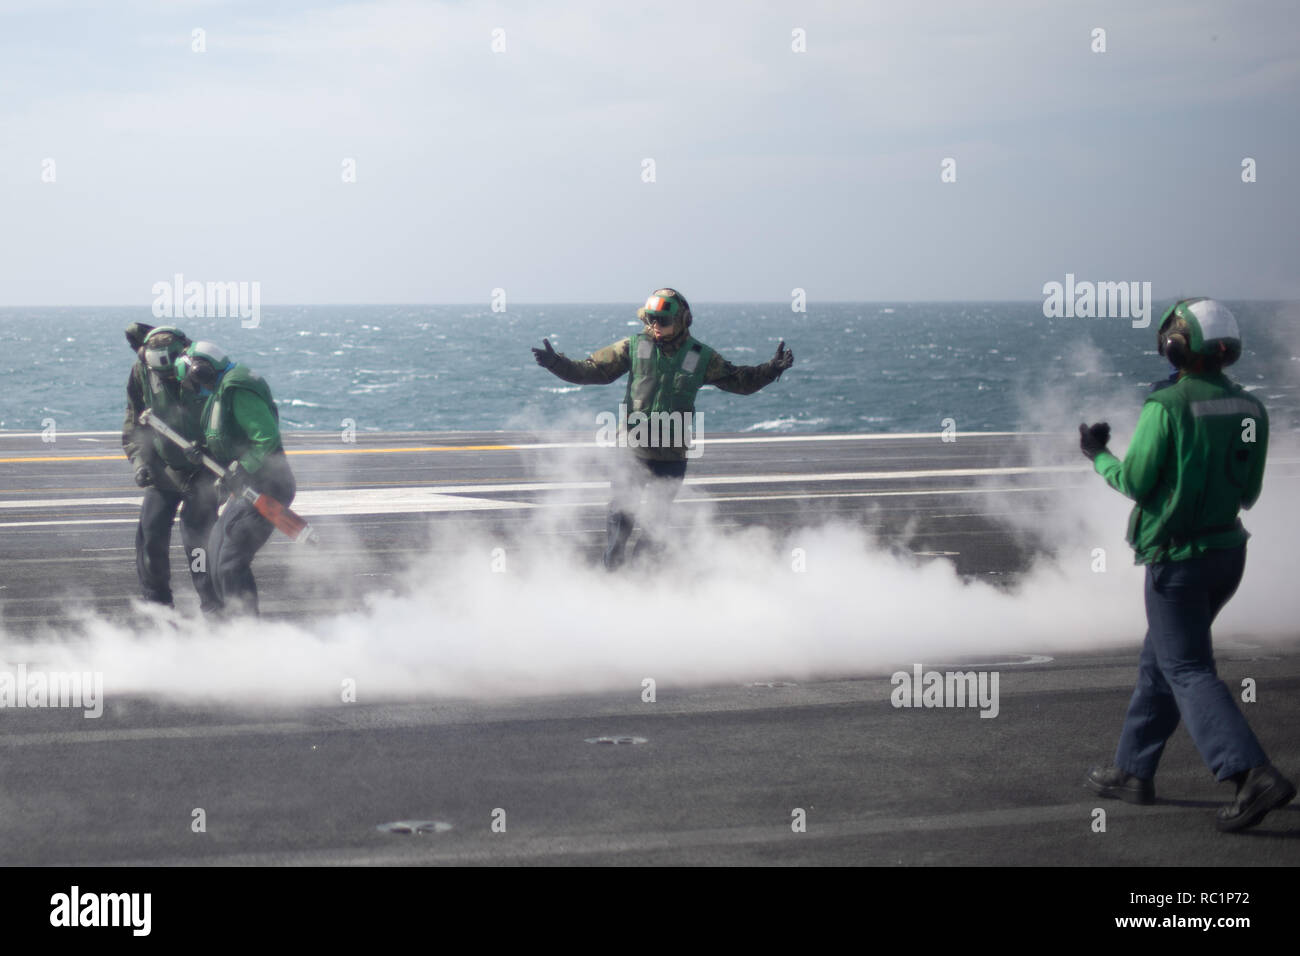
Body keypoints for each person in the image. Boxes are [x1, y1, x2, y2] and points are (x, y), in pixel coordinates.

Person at [1080, 297, 1295, 832]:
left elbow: (1133, 481)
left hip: (1178, 561)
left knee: (1188, 669)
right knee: (1164, 661)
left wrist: (1097, 453)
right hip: (1228, 555)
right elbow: (1249, 491)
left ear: (1175, 346)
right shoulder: (1251, 410)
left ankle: (1251, 774)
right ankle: (1132, 771)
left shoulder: (1168, 407)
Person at [533, 288, 793, 569]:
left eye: (663, 321)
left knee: (657, 525)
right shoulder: (634, 347)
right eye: (650, 320)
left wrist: (771, 369)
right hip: (632, 450)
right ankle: (612, 574)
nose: (655, 326)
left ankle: (643, 581)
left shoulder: (700, 357)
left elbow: (740, 381)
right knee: (621, 516)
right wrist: (556, 364)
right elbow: (592, 370)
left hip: (671, 455)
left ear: (683, 321)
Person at [176, 341, 296, 616]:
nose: (196, 389)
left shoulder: (237, 389)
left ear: (201, 371)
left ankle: (247, 634)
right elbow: (228, 439)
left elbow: (266, 438)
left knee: (230, 563)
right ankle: (235, 629)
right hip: (247, 489)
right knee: (216, 552)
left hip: (268, 487)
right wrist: (202, 451)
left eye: (194, 381)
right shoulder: (221, 391)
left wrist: (242, 468)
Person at [121, 323, 219, 611]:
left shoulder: (205, 370)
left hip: (205, 469)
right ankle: (158, 607)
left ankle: (214, 607)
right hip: (164, 467)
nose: (164, 376)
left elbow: (227, 415)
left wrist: (214, 449)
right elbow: (134, 420)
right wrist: (140, 462)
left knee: (197, 540)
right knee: (150, 534)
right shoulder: (142, 371)